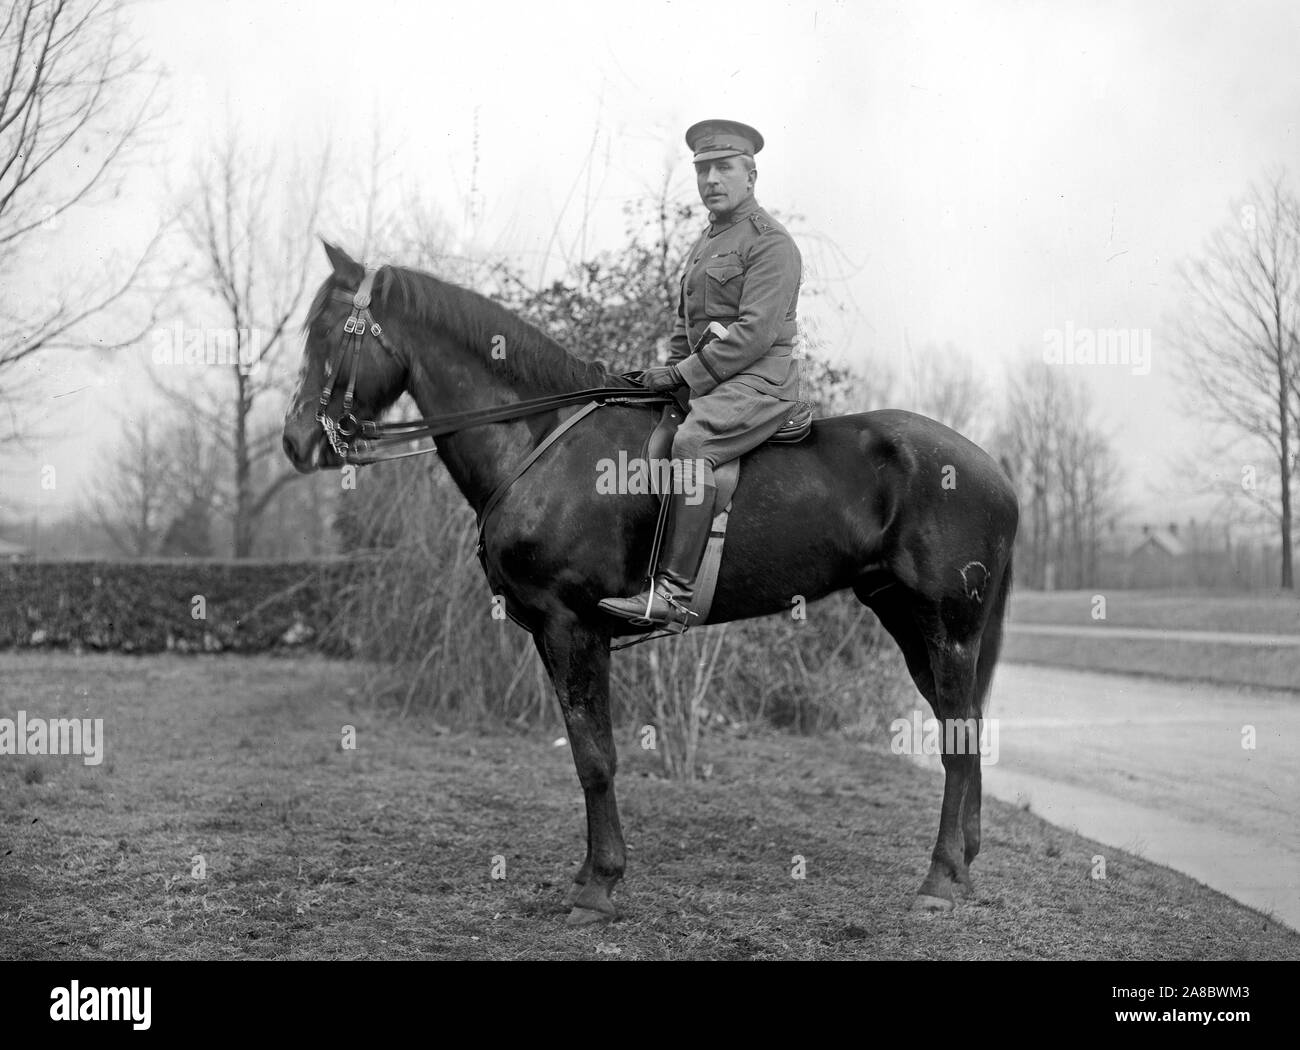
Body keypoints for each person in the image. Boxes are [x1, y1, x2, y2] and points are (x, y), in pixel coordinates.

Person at [600, 118, 803, 627]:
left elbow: (754, 334)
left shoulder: (771, 244)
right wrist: (664, 376)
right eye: (704, 169)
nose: (711, 179)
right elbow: (684, 325)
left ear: (750, 175)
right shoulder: (706, 242)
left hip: (760, 380)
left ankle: (673, 594)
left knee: (691, 444)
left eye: (724, 168)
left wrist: (683, 378)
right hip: (715, 376)